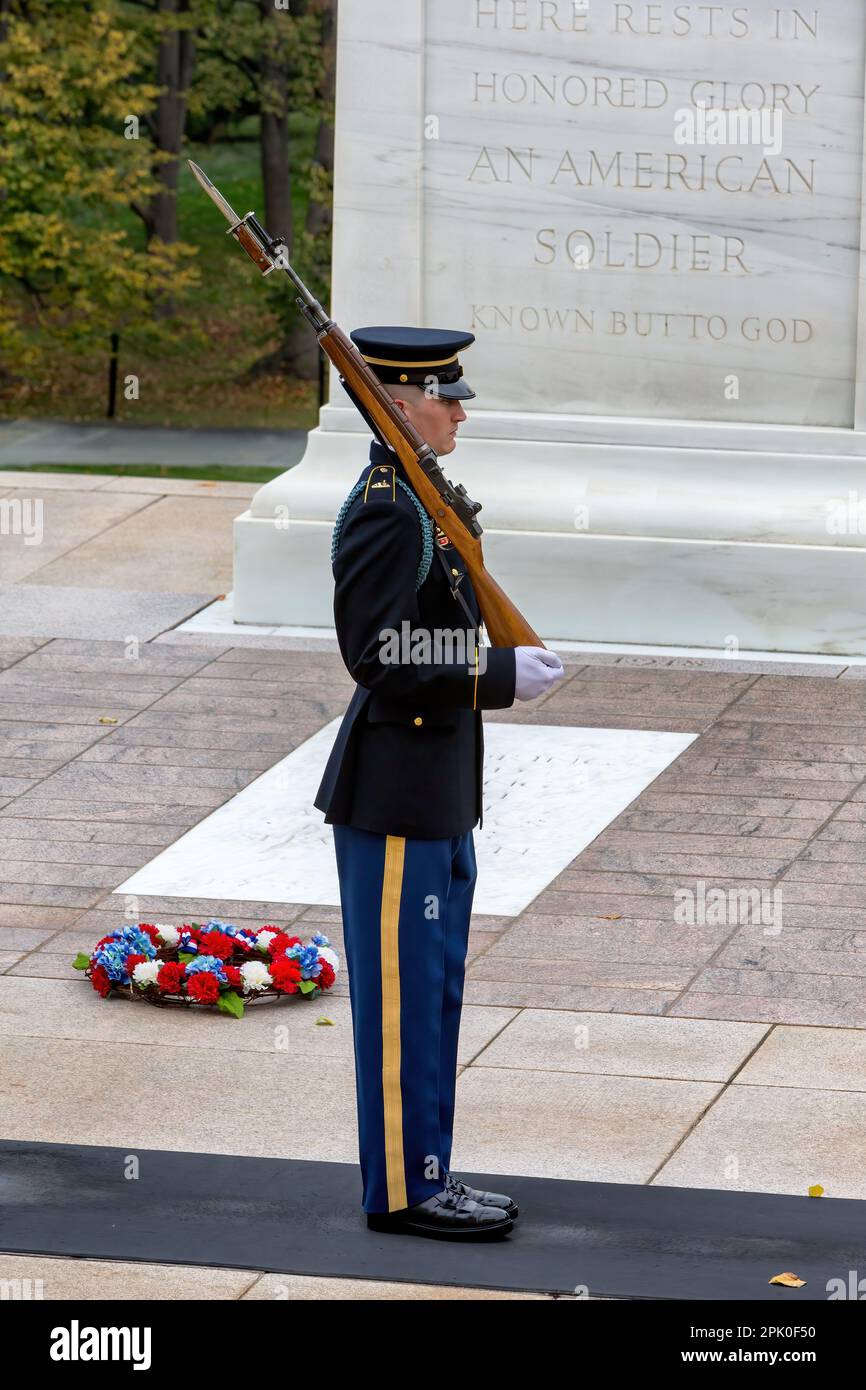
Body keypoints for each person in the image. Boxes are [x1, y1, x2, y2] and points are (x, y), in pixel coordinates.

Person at [314, 326, 564, 1240]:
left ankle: (432, 1173)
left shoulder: (422, 498)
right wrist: (493, 674)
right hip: (393, 798)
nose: (459, 411)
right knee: (399, 1007)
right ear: (398, 403)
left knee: (434, 997)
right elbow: (373, 652)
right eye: (444, 397)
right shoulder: (388, 506)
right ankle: (406, 1194)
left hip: (436, 791)